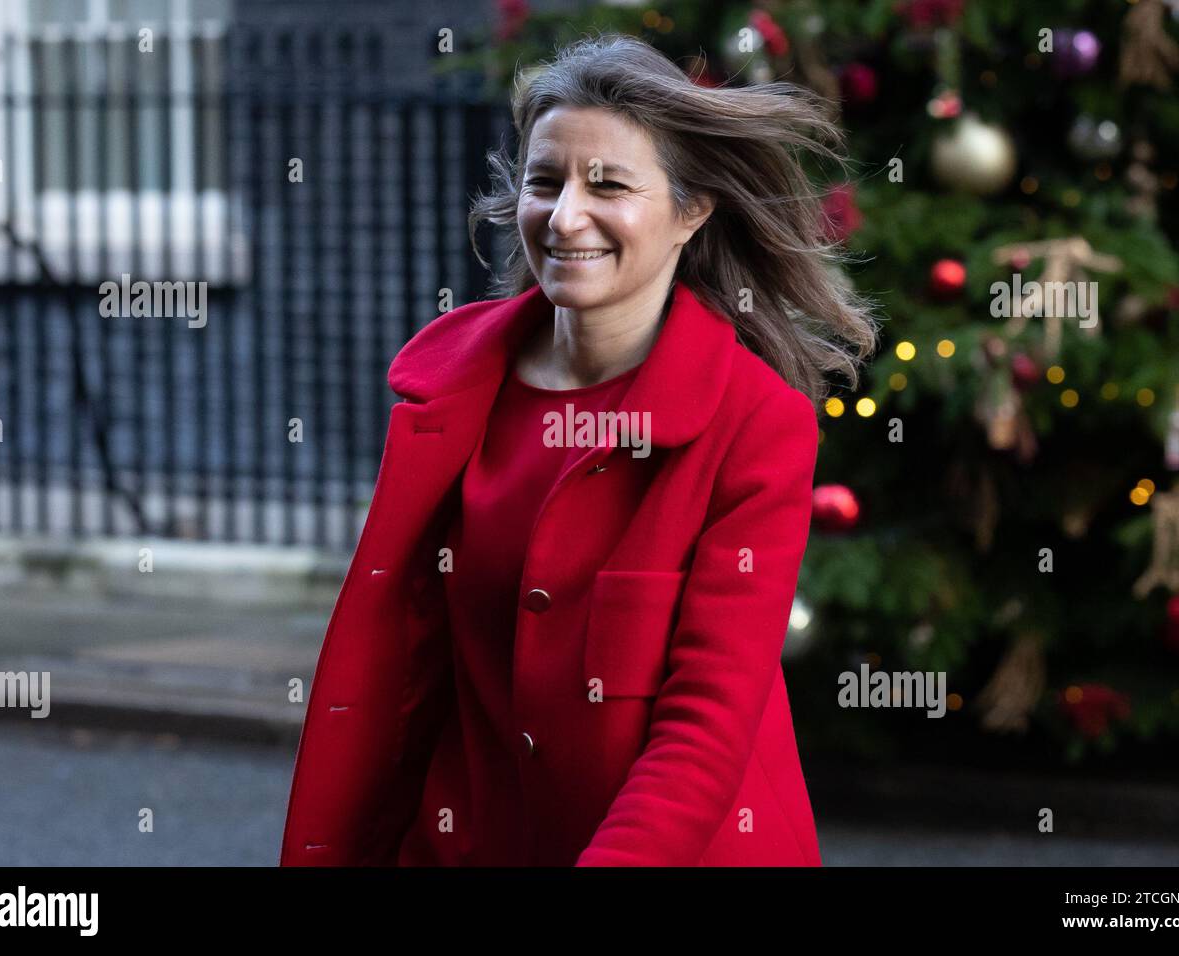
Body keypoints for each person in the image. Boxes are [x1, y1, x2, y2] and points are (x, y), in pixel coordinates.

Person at [280, 31, 878, 867]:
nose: (565, 217)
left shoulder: (754, 426)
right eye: (545, 181)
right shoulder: (447, 392)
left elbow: (703, 729)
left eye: (609, 185)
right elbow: (407, 679)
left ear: (691, 210)